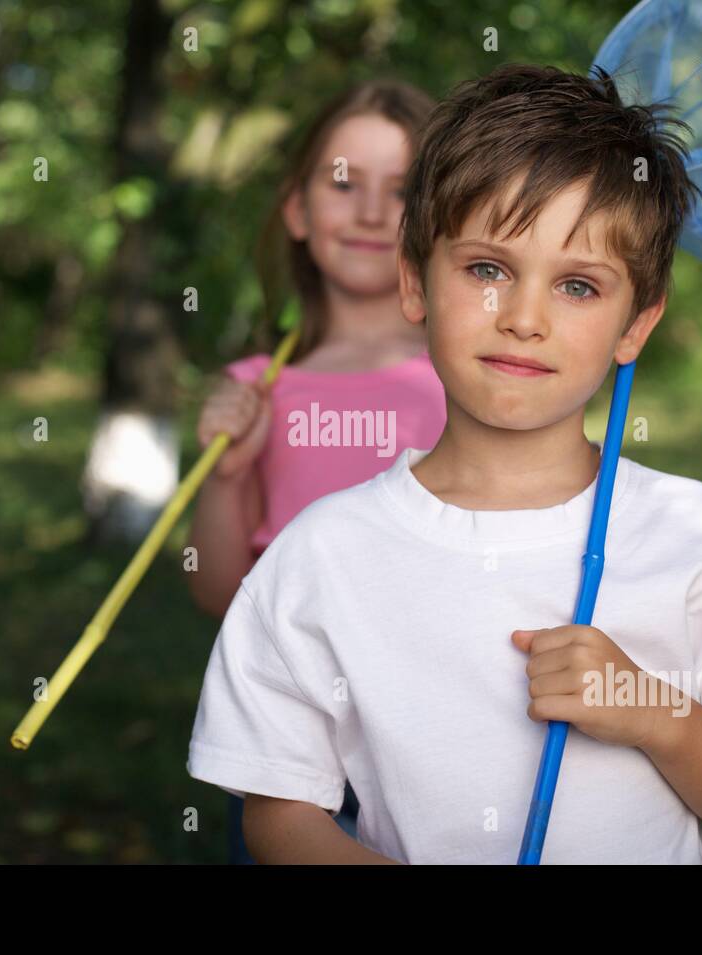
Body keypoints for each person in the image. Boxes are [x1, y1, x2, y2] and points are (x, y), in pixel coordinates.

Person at [186, 63, 702, 863]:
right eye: (486, 270)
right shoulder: (321, 553)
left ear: (636, 325)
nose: (524, 318)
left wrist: (652, 709)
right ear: (416, 281)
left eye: (579, 285)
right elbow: (279, 815)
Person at [185, 79, 445, 863]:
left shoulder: (474, 380)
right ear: (297, 210)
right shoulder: (257, 386)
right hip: (292, 752)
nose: (370, 212)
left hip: (441, 742)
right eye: (343, 183)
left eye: (401, 191)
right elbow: (219, 593)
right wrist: (228, 475)